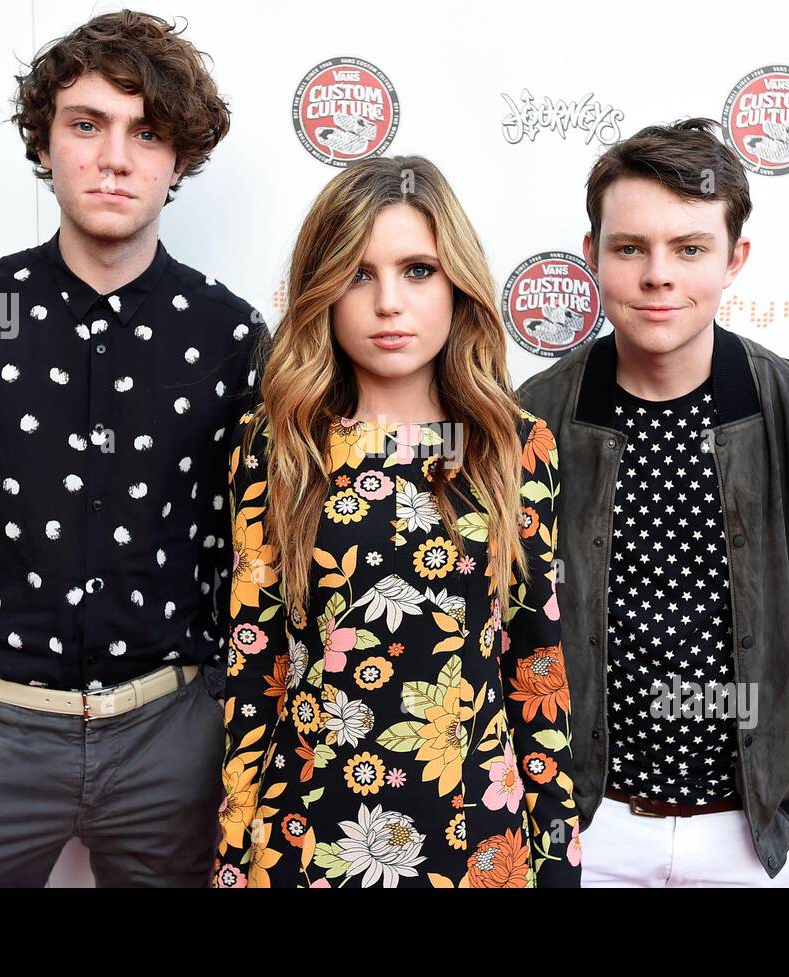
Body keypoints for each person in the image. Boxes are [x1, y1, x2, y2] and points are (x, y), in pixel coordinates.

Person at [0, 10, 268, 886]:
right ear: (45, 142)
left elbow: (248, 548)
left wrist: (218, 711)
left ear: (178, 159)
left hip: (174, 740)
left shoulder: (231, 333)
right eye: (86, 124)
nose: (115, 156)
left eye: (147, 132)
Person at [212, 155, 580, 888]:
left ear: (457, 283)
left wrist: (557, 853)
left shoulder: (516, 446)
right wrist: (232, 853)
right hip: (307, 832)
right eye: (357, 272)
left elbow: (536, 667)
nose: (388, 302)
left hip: (479, 838)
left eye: (417, 270)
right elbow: (255, 666)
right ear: (321, 288)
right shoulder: (276, 444)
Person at [519, 118, 789, 887]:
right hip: (587, 824)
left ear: (734, 258)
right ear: (592, 255)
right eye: (631, 247)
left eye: (690, 248)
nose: (658, 275)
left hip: (755, 833)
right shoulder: (532, 417)